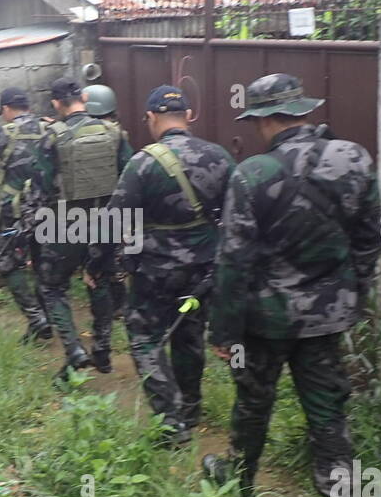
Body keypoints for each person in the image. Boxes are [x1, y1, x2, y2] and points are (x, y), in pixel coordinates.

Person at [206, 73, 381, 497]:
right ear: (304, 110)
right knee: (328, 415)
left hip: (265, 321)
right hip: (327, 318)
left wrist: (223, 329)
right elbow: (369, 241)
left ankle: (238, 486)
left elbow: (233, 259)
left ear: (264, 120)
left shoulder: (252, 174)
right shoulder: (355, 159)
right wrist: (352, 296)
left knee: (253, 404)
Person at [107, 85, 233, 445]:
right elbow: (239, 216)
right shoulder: (220, 157)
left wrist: (101, 262)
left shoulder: (143, 162)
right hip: (204, 272)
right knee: (189, 333)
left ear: (151, 117)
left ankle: (171, 423)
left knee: (145, 338)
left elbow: (115, 220)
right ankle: (190, 407)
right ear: (189, 116)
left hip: (156, 273)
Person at [27, 76, 132, 380]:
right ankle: (102, 350)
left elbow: (43, 185)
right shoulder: (115, 133)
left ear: (56, 104)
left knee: (52, 286)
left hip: (66, 223)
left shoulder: (52, 137)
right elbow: (129, 176)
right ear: (84, 98)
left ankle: (74, 349)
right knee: (99, 278)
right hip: (107, 221)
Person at [0, 87, 53, 341]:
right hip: (45, 209)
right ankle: (43, 318)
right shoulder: (49, 129)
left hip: (12, 211)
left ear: (6, 109)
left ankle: (36, 317)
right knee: (41, 264)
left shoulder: (0, 133)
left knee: (5, 262)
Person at [84, 83, 133, 318]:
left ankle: (103, 309)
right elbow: (128, 167)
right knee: (115, 254)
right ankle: (120, 304)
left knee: (95, 256)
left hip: (85, 205)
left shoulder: (77, 132)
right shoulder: (117, 134)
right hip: (114, 203)